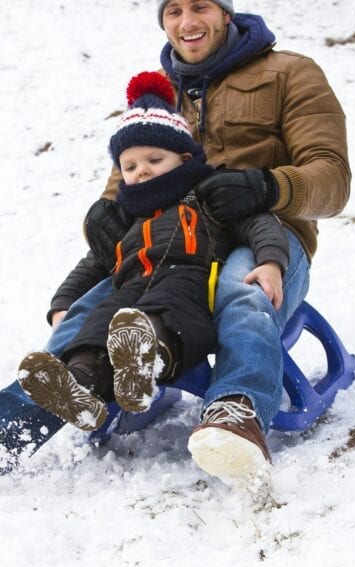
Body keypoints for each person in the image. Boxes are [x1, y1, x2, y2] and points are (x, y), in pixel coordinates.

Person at [0, 0, 351, 486]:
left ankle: (236, 416)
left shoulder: (289, 72)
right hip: (170, 243)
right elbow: (125, 180)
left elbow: (332, 179)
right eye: (173, 11)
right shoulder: (159, 93)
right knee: (90, 305)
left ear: (225, 10)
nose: (187, 22)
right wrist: (103, 218)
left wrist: (266, 186)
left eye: (200, 6)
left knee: (239, 294)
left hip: (262, 235)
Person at [17, 71, 288, 433]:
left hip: (188, 286)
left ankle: (145, 365)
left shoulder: (207, 196)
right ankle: (80, 385)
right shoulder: (126, 219)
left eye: (154, 159)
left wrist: (270, 262)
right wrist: (62, 303)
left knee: (156, 316)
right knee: (98, 324)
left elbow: (259, 224)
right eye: (130, 166)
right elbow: (95, 263)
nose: (142, 171)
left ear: (183, 157)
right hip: (131, 287)